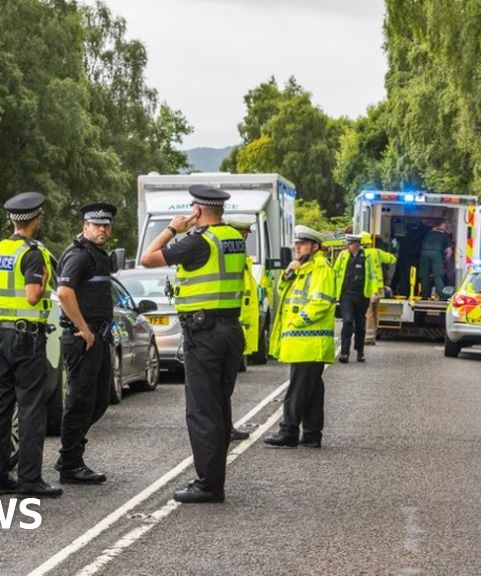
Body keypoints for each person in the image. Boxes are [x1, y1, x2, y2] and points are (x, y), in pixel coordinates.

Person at [139, 184, 246, 503]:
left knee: (202, 410)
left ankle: (209, 483)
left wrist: (173, 228)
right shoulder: (233, 238)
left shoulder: (198, 242)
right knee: (219, 405)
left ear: (198, 211)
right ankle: (215, 476)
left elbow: (147, 258)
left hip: (205, 334)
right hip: (230, 329)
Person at [0, 191, 62, 498]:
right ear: (36, 220)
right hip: (27, 336)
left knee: (2, 404)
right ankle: (30, 479)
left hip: (2, 335)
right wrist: (43, 284)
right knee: (31, 406)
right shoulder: (33, 253)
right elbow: (32, 295)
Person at [52, 202, 117, 485]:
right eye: (97, 225)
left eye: (106, 225)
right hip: (82, 340)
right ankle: (70, 464)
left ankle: (69, 453)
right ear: (85, 226)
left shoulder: (97, 254)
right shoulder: (79, 256)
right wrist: (84, 329)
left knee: (99, 402)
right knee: (79, 401)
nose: (102, 229)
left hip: (99, 338)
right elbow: (64, 293)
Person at [263, 225, 336, 449]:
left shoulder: (320, 268)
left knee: (298, 388)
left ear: (314, 247)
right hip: (302, 342)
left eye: (302, 244)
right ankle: (312, 435)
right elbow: (282, 292)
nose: (297, 248)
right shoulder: (302, 268)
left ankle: (289, 431)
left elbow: (321, 301)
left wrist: (298, 321)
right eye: (296, 244)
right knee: (312, 390)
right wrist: (287, 273)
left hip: (309, 341)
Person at [224, 214, 259, 442]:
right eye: (244, 233)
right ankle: (224, 428)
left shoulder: (243, 259)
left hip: (237, 330)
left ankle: (226, 426)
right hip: (229, 327)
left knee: (227, 385)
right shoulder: (231, 259)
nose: (246, 237)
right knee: (222, 386)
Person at [333, 234, 369, 363]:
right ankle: (344, 353)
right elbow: (335, 272)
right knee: (347, 322)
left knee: (360, 325)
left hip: (362, 295)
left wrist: (375, 291)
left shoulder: (366, 257)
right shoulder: (343, 256)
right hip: (346, 294)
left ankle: (360, 351)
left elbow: (373, 275)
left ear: (359, 245)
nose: (353, 247)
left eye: (355, 244)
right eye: (351, 244)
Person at [360, 232, 396, 346]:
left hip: (367, 288)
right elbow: (392, 259)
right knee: (375, 311)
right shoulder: (377, 252)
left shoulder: (361, 255)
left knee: (368, 312)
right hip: (379, 287)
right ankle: (373, 334)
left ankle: (368, 337)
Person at [419, 220, 452, 300]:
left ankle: (425, 296)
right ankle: (442, 295)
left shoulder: (428, 233)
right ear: (441, 225)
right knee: (438, 276)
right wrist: (445, 260)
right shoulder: (445, 235)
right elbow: (449, 251)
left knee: (425, 275)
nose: (446, 227)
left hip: (424, 253)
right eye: (445, 225)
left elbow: (422, 243)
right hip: (436, 254)